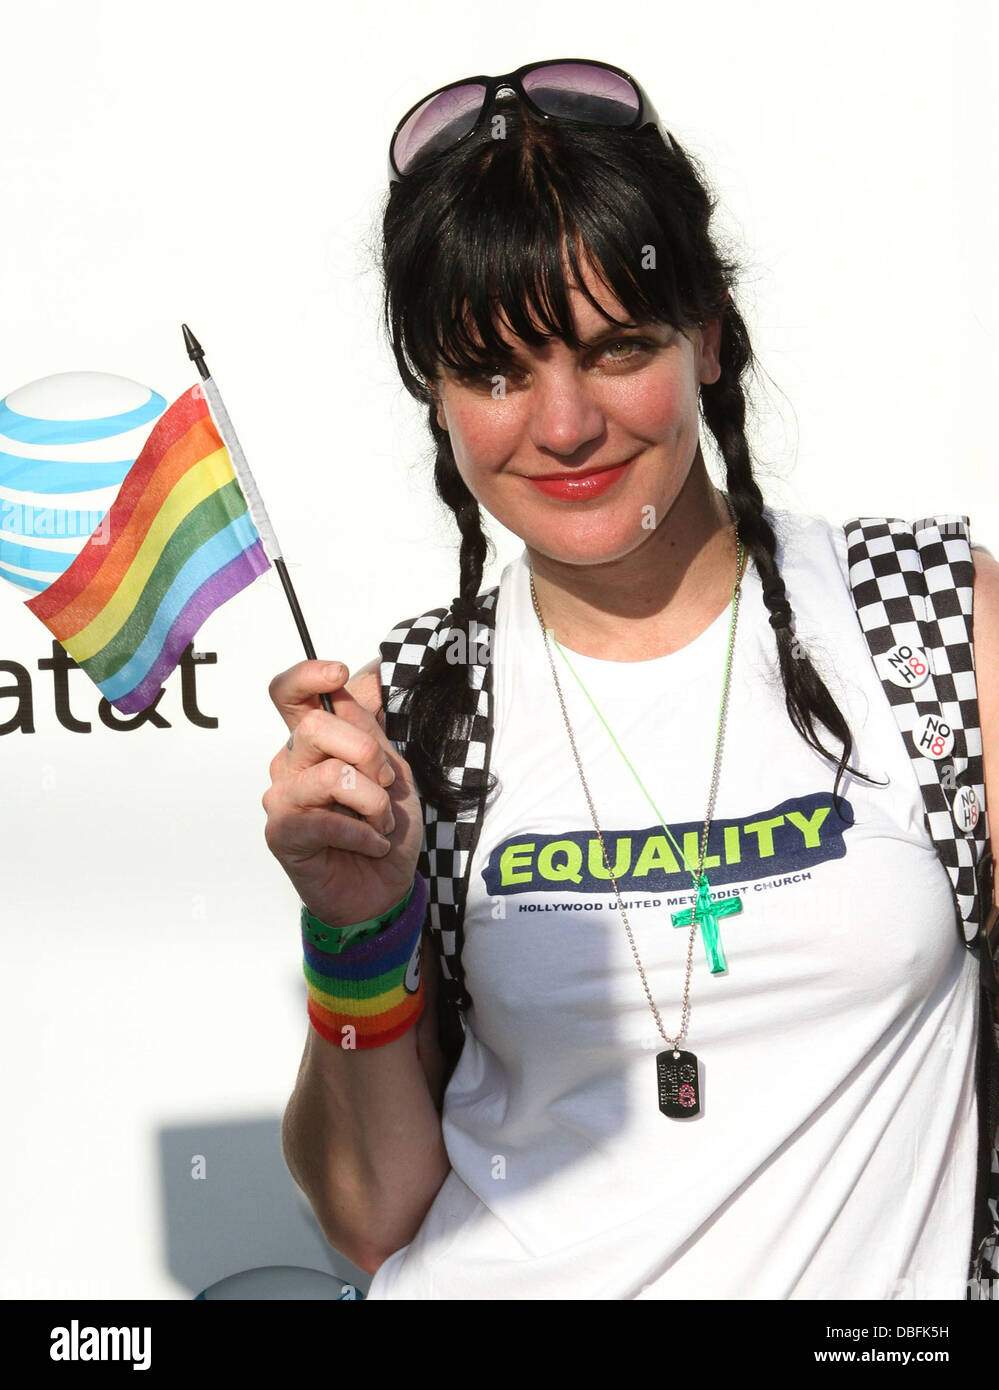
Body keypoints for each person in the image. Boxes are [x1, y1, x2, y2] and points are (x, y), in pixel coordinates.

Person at [263, 59, 999, 1300]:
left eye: (613, 351)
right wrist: (355, 925)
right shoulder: (418, 709)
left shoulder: (928, 619)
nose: (561, 425)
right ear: (436, 399)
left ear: (706, 335)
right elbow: (370, 1219)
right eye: (495, 372)